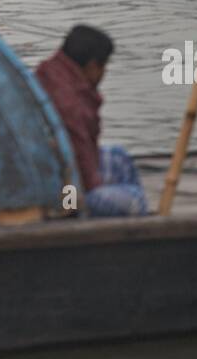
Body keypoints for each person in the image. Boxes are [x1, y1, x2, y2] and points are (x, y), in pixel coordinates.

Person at [36, 25, 148, 217]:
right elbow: (77, 157)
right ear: (92, 66)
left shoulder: (48, 72)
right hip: (65, 195)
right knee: (136, 200)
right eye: (104, 67)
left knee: (118, 156)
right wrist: (94, 188)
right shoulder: (70, 104)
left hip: (56, 175)